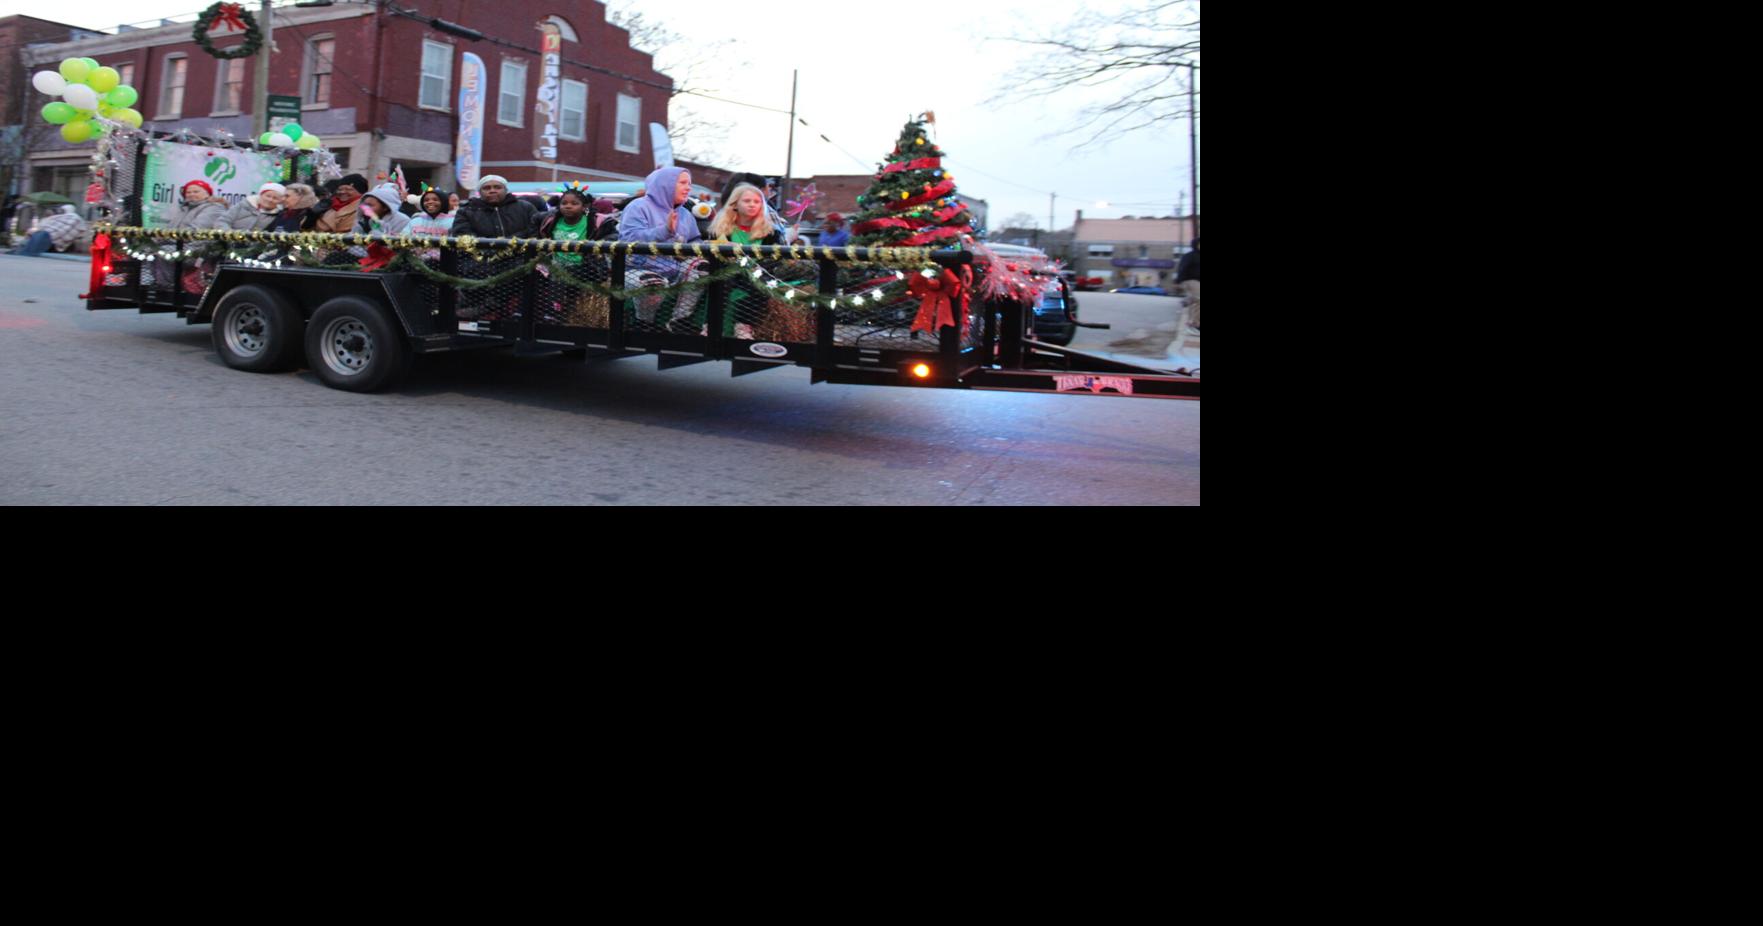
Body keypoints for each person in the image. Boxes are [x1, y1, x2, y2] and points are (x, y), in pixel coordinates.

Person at [619, 166, 707, 331]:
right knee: (653, 283)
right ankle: (644, 323)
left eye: (689, 183)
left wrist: (710, 246)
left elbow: (695, 240)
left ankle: (678, 321)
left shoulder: (686, 214)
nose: (688, 187)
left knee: (702, 268)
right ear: (665, 184)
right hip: (637, 269)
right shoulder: (638, 206)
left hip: (674, 269)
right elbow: (630, 240)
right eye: (683, 182)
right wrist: (664, 231)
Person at [708, 182, 785, 339]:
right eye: (747, 201)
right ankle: (711, 326)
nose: (752, 205)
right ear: (735, 204)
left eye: (757, 202)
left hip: (759, 272)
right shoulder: (720, 229)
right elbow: (712, 252)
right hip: (729, 270)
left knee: (759, 285)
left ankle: (743, 327)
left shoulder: (771, 232)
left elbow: (776, 259)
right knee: (722, 281)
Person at [454, 175, 538, 239]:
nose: (492, 191)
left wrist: (510, 243)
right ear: (480, 192)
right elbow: (463, 235)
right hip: (481, 259)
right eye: (487, 188)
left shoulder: (525, 207)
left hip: (523, 258)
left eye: (497, 187)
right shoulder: (466, 211)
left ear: (506, 190)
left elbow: (535, 230)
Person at [6, 205, 89, 257]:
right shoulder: (61, 217)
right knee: (37, 236)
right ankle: (23, 250)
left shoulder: (73, 217)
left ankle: (24, 251)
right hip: (49, 235)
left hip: (49, 236)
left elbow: (62, 229)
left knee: (39, 236)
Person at [303, 173, 369, 233]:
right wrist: (311, 218)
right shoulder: (329, 204)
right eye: (340, 189)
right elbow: (306, 229)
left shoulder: (364, 208)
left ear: (360, 192)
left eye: (348, 189)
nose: (342, 192)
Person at [1175, 237, 1199, 332]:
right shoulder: (1189, 256)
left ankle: (1188, 300)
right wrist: (1177, 281)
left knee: (1195, 300)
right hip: (1190, 280)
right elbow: (1182, 268)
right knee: (1199, 299)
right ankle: (1193, 324)